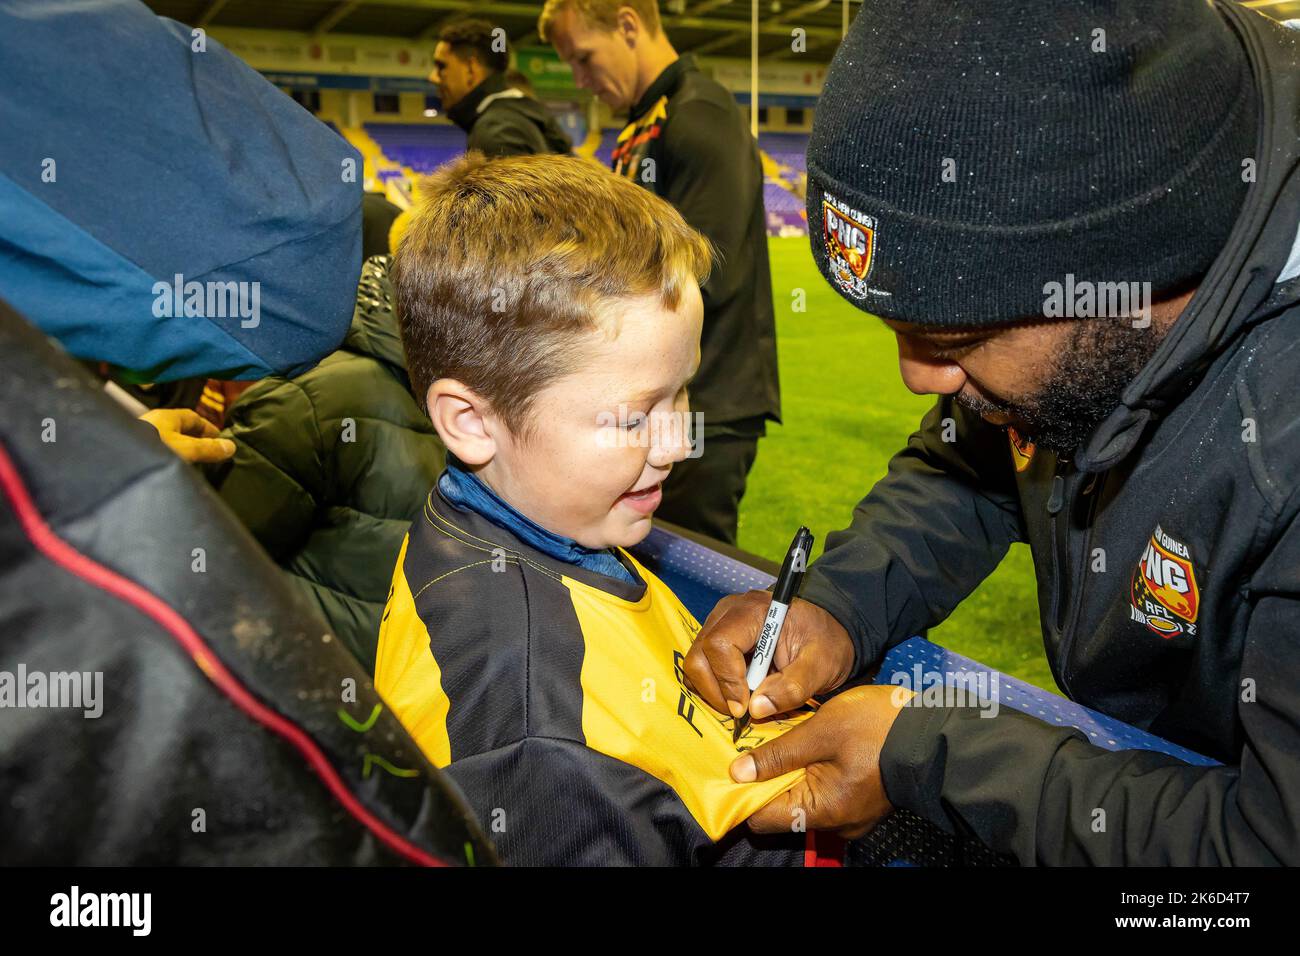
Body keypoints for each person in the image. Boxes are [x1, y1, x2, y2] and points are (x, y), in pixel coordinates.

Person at [684, 0, 1300, 865]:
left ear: (1129, 277)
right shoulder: (1106, 305)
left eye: (955, 339)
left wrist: (934, 755)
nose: (919, 378)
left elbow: (1266, 855)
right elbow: (975, 462)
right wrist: (837, 605)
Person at [375, 152, 834, 866]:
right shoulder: (536, 739)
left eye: (682, 391)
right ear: (470, 421)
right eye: (633, 417)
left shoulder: (544, 515)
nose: (681, 443)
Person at [539, 0, 781, 546]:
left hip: (707, 398)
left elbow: (704, 267)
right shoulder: (648, 122)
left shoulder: (698, 114)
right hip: (666, 388)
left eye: (583, 58)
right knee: (644, 554)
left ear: (627, 25)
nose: (581, 80)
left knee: (684, 558)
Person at [208, 257, 443, 671]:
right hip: (305, 687)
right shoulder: (319, 399)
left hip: (354, 699)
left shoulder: (498, 414)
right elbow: (215, 557)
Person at [432, 17, 572, 158]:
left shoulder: (497, 133)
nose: (433, 77)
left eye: (441, 67)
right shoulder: (527, 116)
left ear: (470, 69)